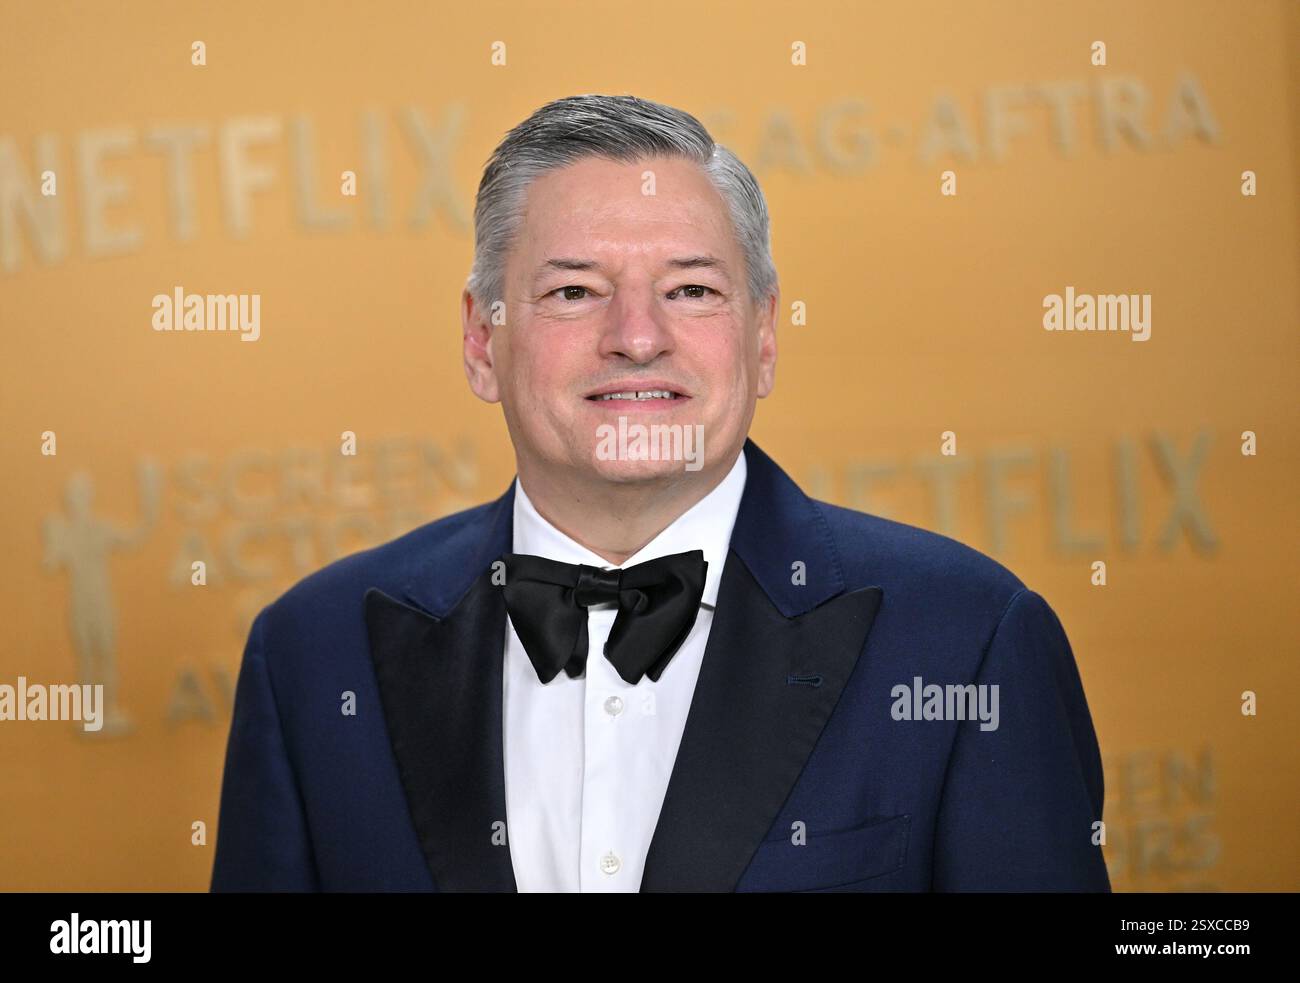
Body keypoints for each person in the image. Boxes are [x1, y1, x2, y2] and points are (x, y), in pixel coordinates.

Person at [210, 93, 1110, 892]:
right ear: (484, 343)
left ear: (762, 337)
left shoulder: (967, 638)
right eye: (573, 290)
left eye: (690, 289)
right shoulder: (311, 655)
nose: (637, 338)